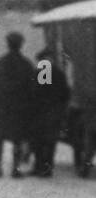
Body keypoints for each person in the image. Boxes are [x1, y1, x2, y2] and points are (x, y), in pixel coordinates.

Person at [0, 31, 37, 178]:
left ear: (8, 44)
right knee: (18, 140)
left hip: (0, 106)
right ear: (21, 45)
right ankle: (15, 169)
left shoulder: (0, 62)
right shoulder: (27, 65)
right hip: (20, 109)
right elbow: (33, 88)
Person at [31, 42, 71, 178]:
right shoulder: (58, 72)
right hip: (54, 112)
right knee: (49, 142)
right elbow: (66, 94)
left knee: (39, 141)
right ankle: (46, 168)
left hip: (41, 112)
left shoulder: (45, 70)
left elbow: (40, 92)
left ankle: (40, 167)